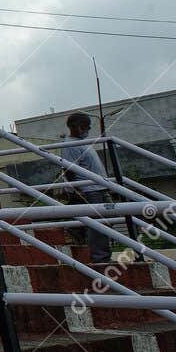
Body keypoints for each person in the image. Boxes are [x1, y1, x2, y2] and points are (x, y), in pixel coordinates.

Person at [61, 112, 113, 265]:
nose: (88, 130)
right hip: (89, 191)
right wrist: (76, 191)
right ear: (77, 127)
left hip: (98, 189)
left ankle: (76, 234)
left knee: (108, 222)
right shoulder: (69, 144)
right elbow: (69, 171)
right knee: (98, 226)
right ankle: (100, 259)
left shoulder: (82, 143)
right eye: (86, 127)